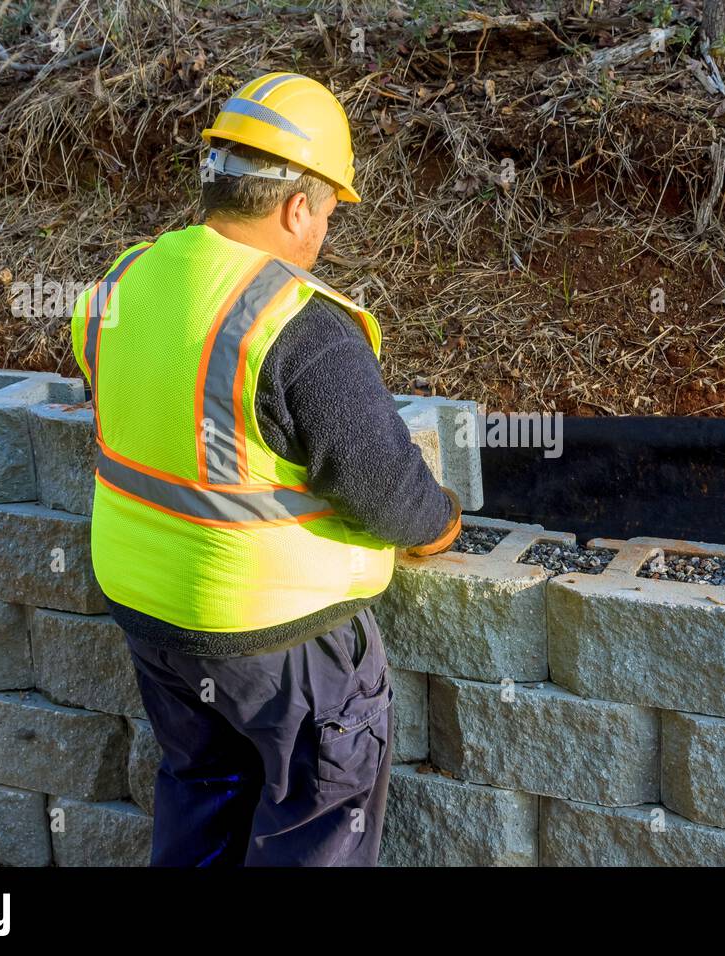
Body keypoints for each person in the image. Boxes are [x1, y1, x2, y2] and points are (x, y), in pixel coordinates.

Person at [69, 72, 462, 866]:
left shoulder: (120, 283)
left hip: (148, 612)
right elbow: (385, 491)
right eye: (326, 212)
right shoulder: (298, 324)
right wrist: (440, 524)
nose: (323, 233)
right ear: (295, 207)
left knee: (201, 788)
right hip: (278, 642)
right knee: (315, 819)